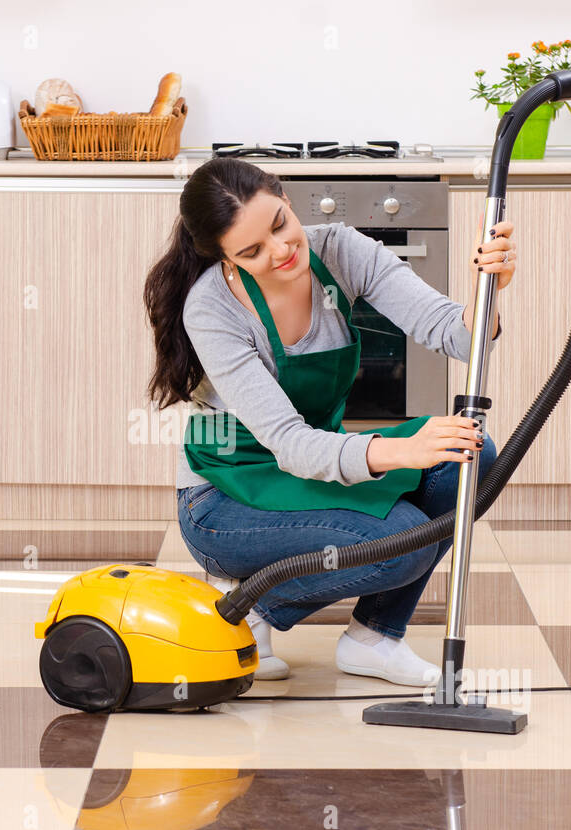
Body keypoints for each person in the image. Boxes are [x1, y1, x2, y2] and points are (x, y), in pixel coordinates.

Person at [143, 157, 515, 685]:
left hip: (310, 472)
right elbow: (291, 445)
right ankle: (252, 606)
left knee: (469, 457)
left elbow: (453, 335)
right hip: (224, 500)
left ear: (286, 199)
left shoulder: (339, 250)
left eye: (279, 225)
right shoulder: (212, 310)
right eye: (252, 251)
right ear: (223, 258)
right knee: (402, 542)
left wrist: (488, 288)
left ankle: (374, 637)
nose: (281, 251)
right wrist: (402, 450)